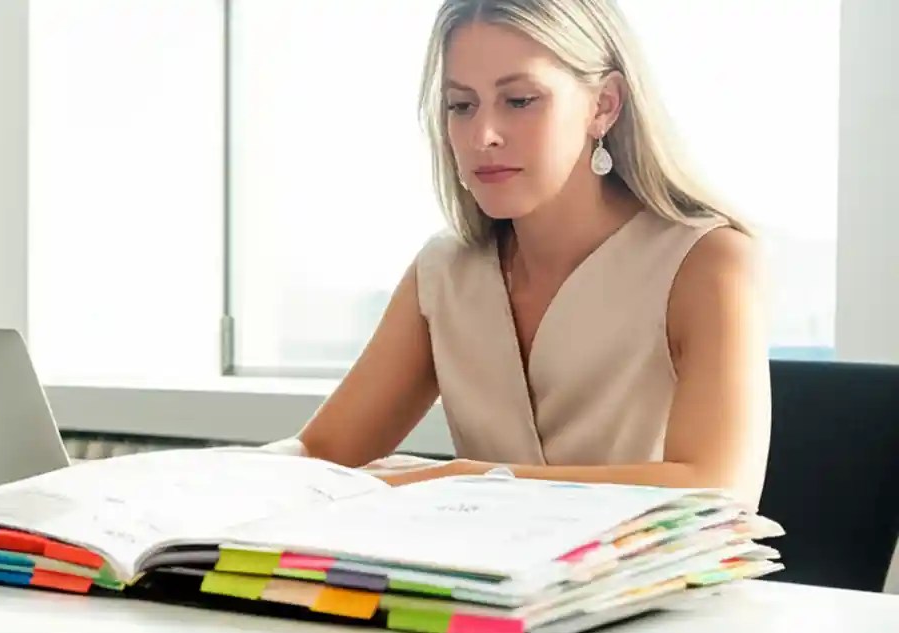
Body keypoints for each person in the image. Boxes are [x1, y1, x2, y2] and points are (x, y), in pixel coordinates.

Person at [262, 0, 771, 508]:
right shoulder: (444, 273)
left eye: (521, 100)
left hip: (668, 589)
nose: (484, 135)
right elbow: (322, 454)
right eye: (461, 105)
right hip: (483, 587)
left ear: (604, 105)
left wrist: (459, 480)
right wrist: (212, 480)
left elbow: (719, 494)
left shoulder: (707, 262)